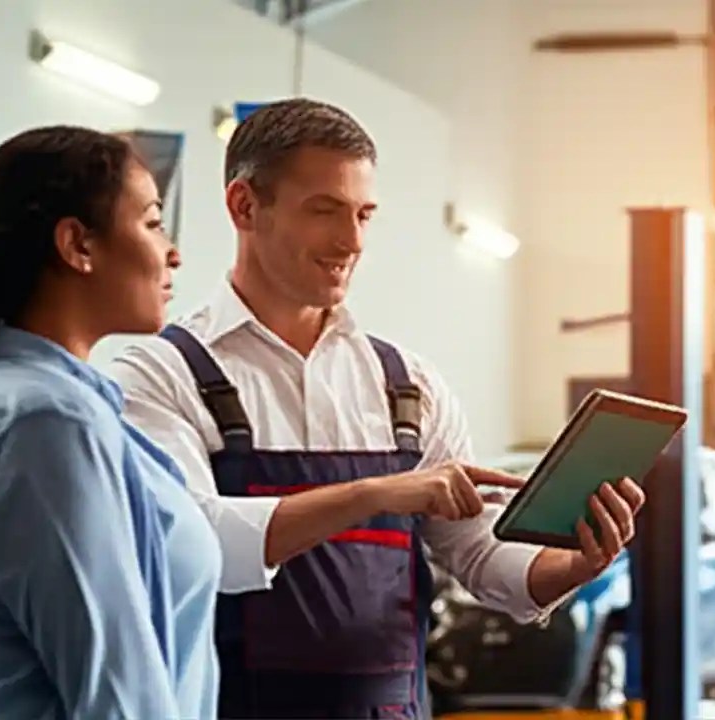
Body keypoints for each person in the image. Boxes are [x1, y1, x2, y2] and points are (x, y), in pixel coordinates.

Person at [110, 97, 646, 719]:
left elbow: (479, 556)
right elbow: (198, 544)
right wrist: (377, 493)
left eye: (364, 214)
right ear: (244, 206)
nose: (352, 240)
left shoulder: (408, 386)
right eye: (325, 211)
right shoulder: (157, 376)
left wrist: (576, 563)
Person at [0, 126, 220, 718]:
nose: (173, 252)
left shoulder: (59, 405)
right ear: (77, 245)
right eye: (151, 222)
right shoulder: (45, 422)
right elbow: (118, 695)